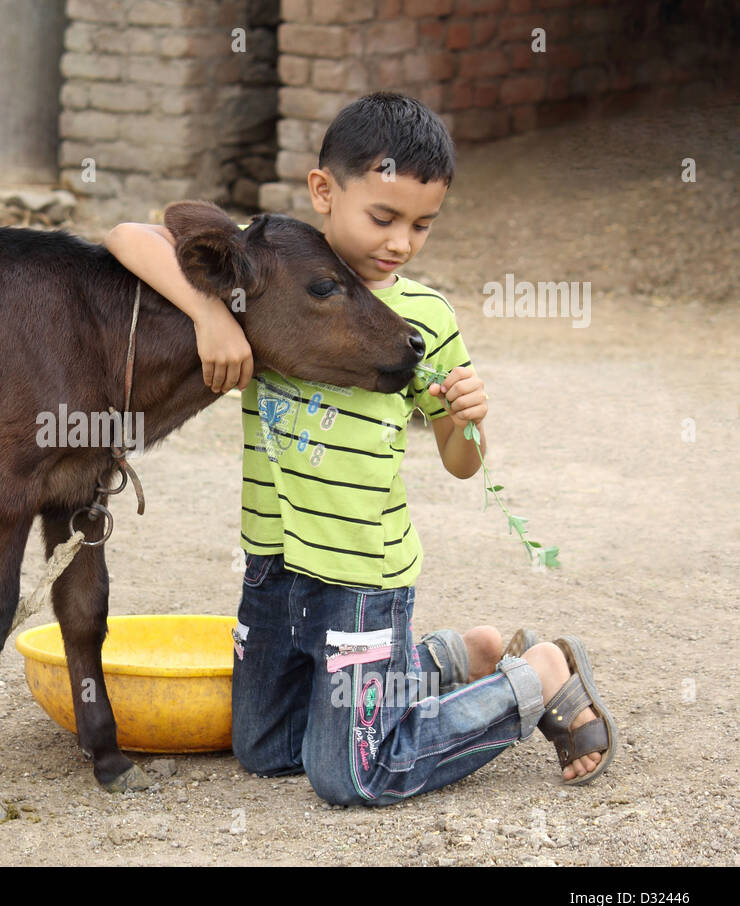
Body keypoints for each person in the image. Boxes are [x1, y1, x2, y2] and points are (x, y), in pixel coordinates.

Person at [103, 91, 616, 805]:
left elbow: (461, 463)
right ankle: (446, 660)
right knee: (265, 750)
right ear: (324, 190)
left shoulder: (423, 319)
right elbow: (131, 233)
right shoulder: (272, 271)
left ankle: (538, 678)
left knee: (351, 774)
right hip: (274, 566)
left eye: (421, 225)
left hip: (359, 578)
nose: (399, 242)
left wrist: (466, 418)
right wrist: (208, 314)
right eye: (383, 217)